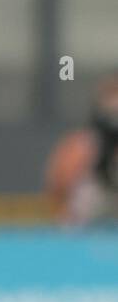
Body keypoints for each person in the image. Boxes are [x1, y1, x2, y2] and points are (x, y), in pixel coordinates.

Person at [45, 73, 118, 226]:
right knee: (72, 220)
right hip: (97, 189)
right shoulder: (86, 140)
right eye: (112, 93)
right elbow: (58, 180)